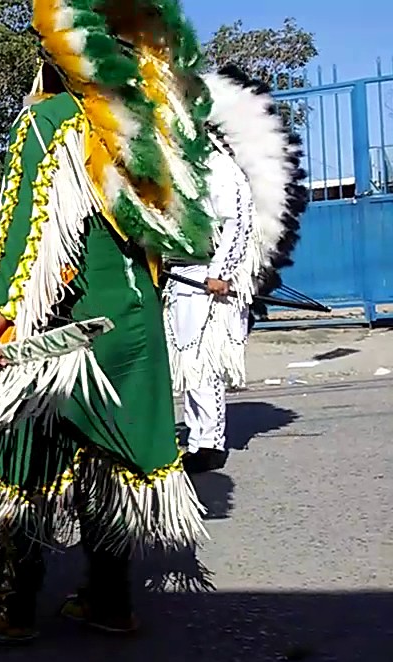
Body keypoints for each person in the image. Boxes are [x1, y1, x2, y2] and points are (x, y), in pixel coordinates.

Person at [0, 0, 217, 643]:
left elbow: (31, 232)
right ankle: (109, 600)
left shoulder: (51, 122)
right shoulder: (144, 128)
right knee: (107, 465)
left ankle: (14, 606)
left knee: (18, 453)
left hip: (66, 328)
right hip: (135, 324)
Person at [165, 64, 308, 474]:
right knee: (188, 361)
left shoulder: (216, 164)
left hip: (208, 278)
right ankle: (196, 435)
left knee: (204, 361)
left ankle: (209, 442)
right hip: (184, 277)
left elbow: (239, 219)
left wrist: (223, 272)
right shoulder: (185, 165)